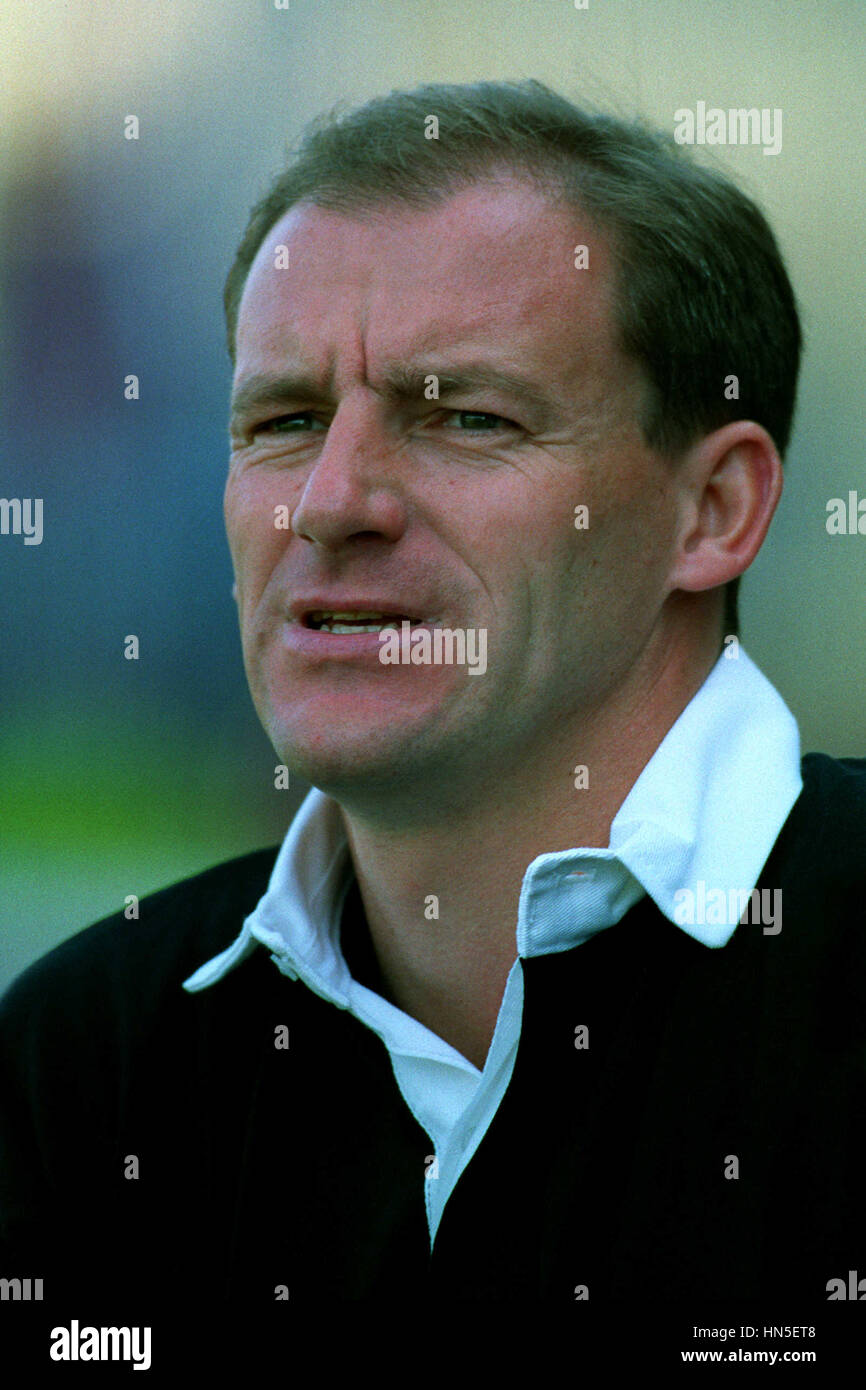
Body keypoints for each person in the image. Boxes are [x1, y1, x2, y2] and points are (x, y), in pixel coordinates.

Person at [1, 79, 864, 1314]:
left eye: (464, 415)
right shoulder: (78, 1064)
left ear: (712, 510)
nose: (332, 500)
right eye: (285, 420)